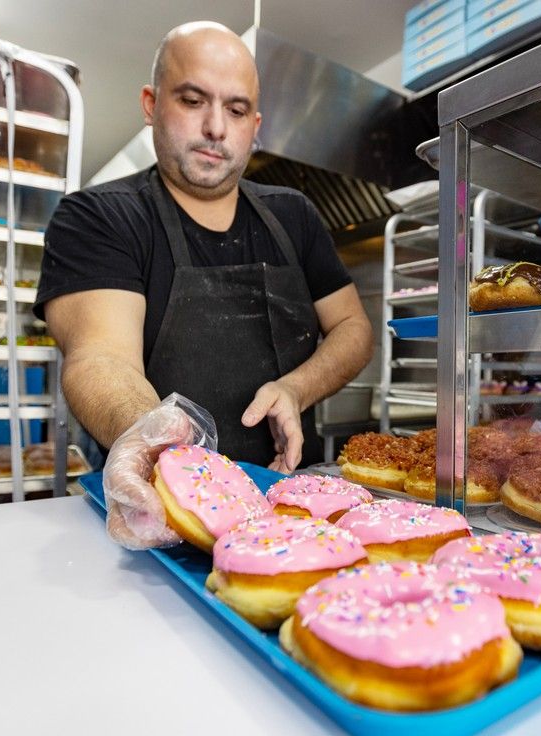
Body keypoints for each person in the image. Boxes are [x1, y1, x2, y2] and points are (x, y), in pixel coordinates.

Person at [34, 21, 373, 547]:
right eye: (193, 101)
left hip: (282, 507)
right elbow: (100, 356)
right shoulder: (100, 217)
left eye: (236, 111)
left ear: (254, 124)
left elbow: (353, 326)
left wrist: (296, 387)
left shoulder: (294, 216)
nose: (216, 127)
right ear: (150, 103)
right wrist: (158, 447)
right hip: (151, 513)